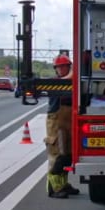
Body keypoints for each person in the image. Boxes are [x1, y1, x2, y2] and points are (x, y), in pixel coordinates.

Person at [46, 54, 78, 199]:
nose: (61, 69)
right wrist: (75, 71)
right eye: (59, 67)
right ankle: (54, 188)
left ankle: (63, 184)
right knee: (57, 153)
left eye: (64, 66)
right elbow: (69, 79)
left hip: (67, 119)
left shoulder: (71, 81)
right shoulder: (55, 82)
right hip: (55, 120)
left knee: (67, 154)